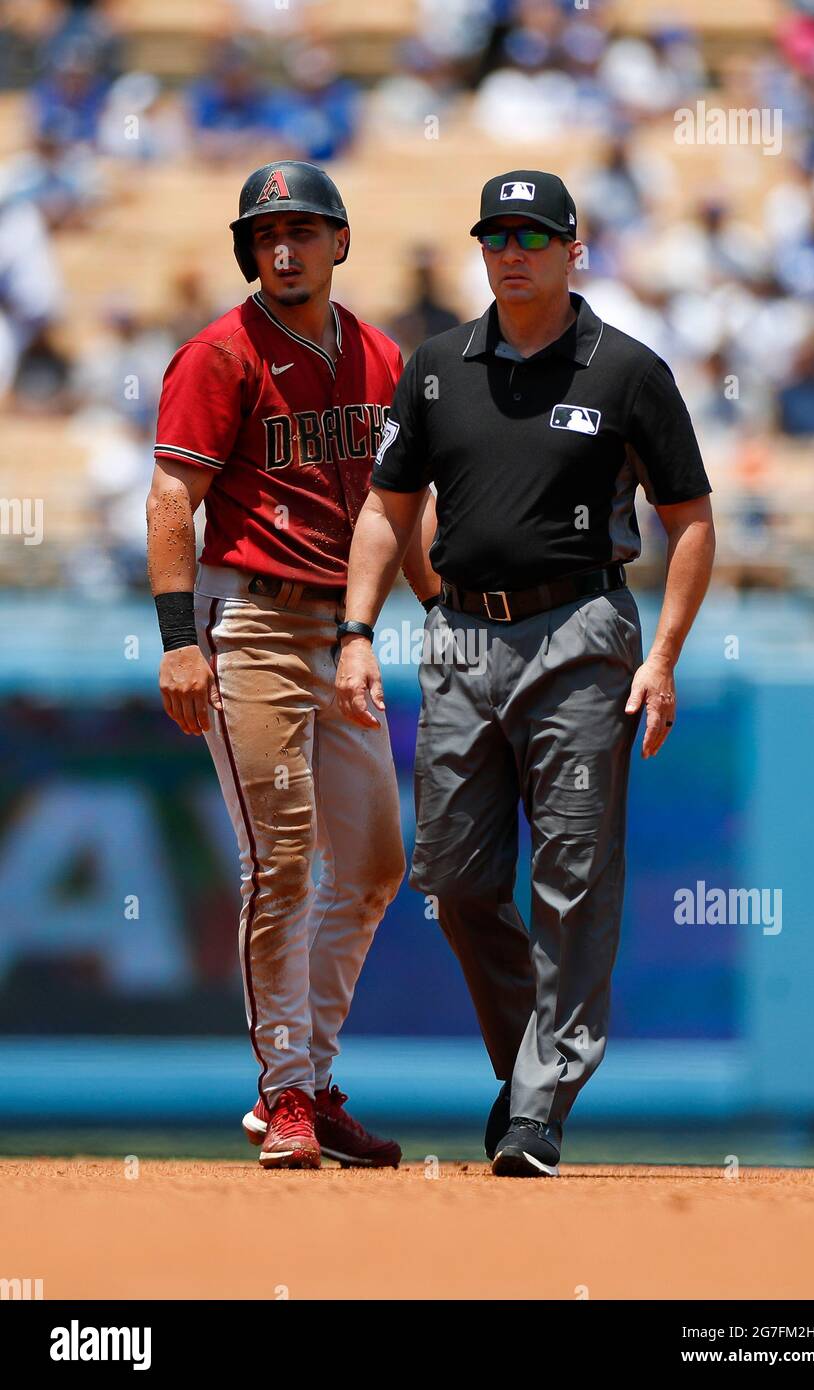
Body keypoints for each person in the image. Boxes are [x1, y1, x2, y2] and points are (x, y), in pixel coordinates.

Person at [335, 169, 715, 1177]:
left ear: (570, 250)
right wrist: (355, 630)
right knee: (455, 880)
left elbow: (688, 523)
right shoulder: (433, 369)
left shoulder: (625, 369)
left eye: (532, 236)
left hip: (582, 628)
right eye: (496, 235)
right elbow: (386, 507)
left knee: (572, 870)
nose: (512, 252)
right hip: (458, 635)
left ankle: (541, 1105)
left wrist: (664, 657)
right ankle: (526, 1064)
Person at [146, 160, 436, 1170]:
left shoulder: (380, 356)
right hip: (253, 628)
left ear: (338, 242)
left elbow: (399, 512)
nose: (283, 245)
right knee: (280, 859)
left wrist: (443, 614)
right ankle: (286, 1091)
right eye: (265, 232)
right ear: (247, 249)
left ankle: (308, 1077)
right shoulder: (218, 354)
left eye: (303, 229)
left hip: (342, 633)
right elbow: (170, 501)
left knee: (371, 865)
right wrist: (178, 638)